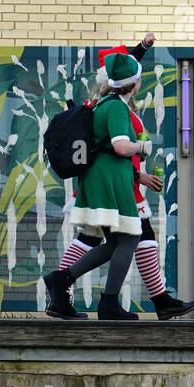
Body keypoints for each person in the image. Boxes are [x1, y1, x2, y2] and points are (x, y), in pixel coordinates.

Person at [53, 35, 194, 319]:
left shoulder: (102, 100)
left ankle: (155, 300)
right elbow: (115, 147)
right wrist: (140, 161)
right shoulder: (114, 105)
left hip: (119, 181)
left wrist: (141, 49)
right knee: (119, 239)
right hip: (116, 185)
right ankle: (65, 286)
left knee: (127, 239)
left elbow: (124, 70)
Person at [43, 51, 150, 320]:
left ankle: (62, 279)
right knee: (131, 238)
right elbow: (121, 146)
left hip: (102, 178)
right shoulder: (115, 106)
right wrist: (143, 147)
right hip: (110, 180)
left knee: (115, 242)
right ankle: (109, 303)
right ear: (133, 83)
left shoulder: (104, 102)